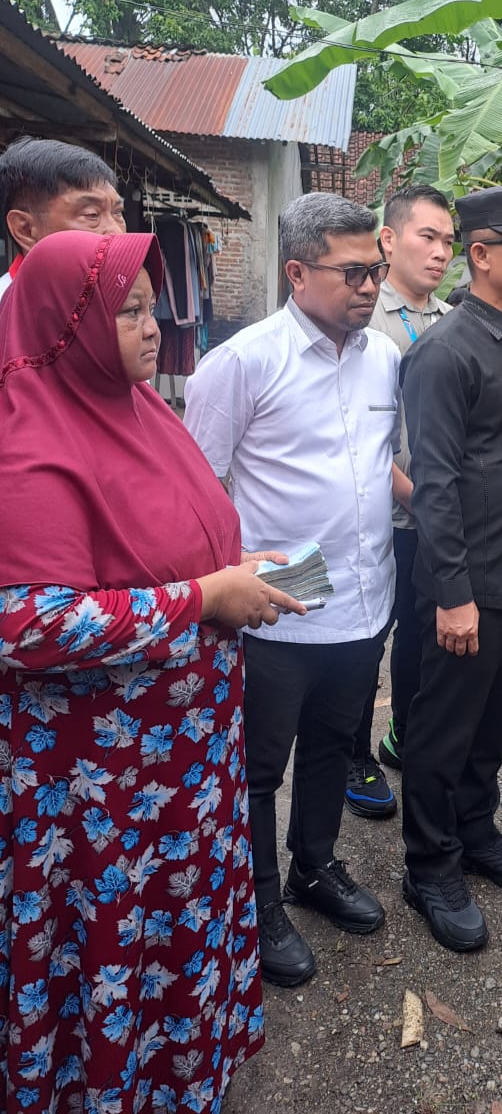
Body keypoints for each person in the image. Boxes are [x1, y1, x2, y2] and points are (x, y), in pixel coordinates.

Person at [0, 229, 304, 1112]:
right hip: (96, 789)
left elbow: (183, 543)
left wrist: (247, 570)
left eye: (152, 308)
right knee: (107, 942)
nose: (152, 329)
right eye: (125, 311)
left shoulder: (143, 413)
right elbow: (26, 624)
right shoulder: (30, 442)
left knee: (176, 927)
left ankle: (182, 1073)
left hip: (183, 768)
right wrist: (203, 597)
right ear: (65, 324)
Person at [184, 193, 401, 988]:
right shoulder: (242, 362)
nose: (370, 286)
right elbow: (196, 489)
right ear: (298, 271)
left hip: (361, 605)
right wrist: (236, 569)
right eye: (353, 273)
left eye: (375, 270)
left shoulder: (384, 358)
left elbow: (382, 468)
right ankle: (258, 901)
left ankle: (315, 867)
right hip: (273, 614)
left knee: (331, 752)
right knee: (259, 768)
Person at [400, 184, 502, 952]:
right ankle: (430, 865)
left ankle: (475, 830)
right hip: (472, 586)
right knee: (442, 727)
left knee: (493, 720)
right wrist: (454, 596)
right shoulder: (445, 352)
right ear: (479, 255)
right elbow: (434, 484)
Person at [344, 185, 454, 819]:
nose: (441, 253)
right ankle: (353, 751)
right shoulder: (361, 313)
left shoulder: (451, 320)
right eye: (427, 237)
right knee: (366, 638)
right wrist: (420, 498)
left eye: (448, 241)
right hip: (378, 512)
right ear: (389, 239)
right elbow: (356, 433)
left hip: (430, 516)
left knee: (420, 637)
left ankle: (403, 738)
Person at [0, 135, 125, 302]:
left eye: (117, 212)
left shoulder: (123, 295)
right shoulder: (7, 312)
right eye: (92, 215)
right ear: (26, 229)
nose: (117, 232)